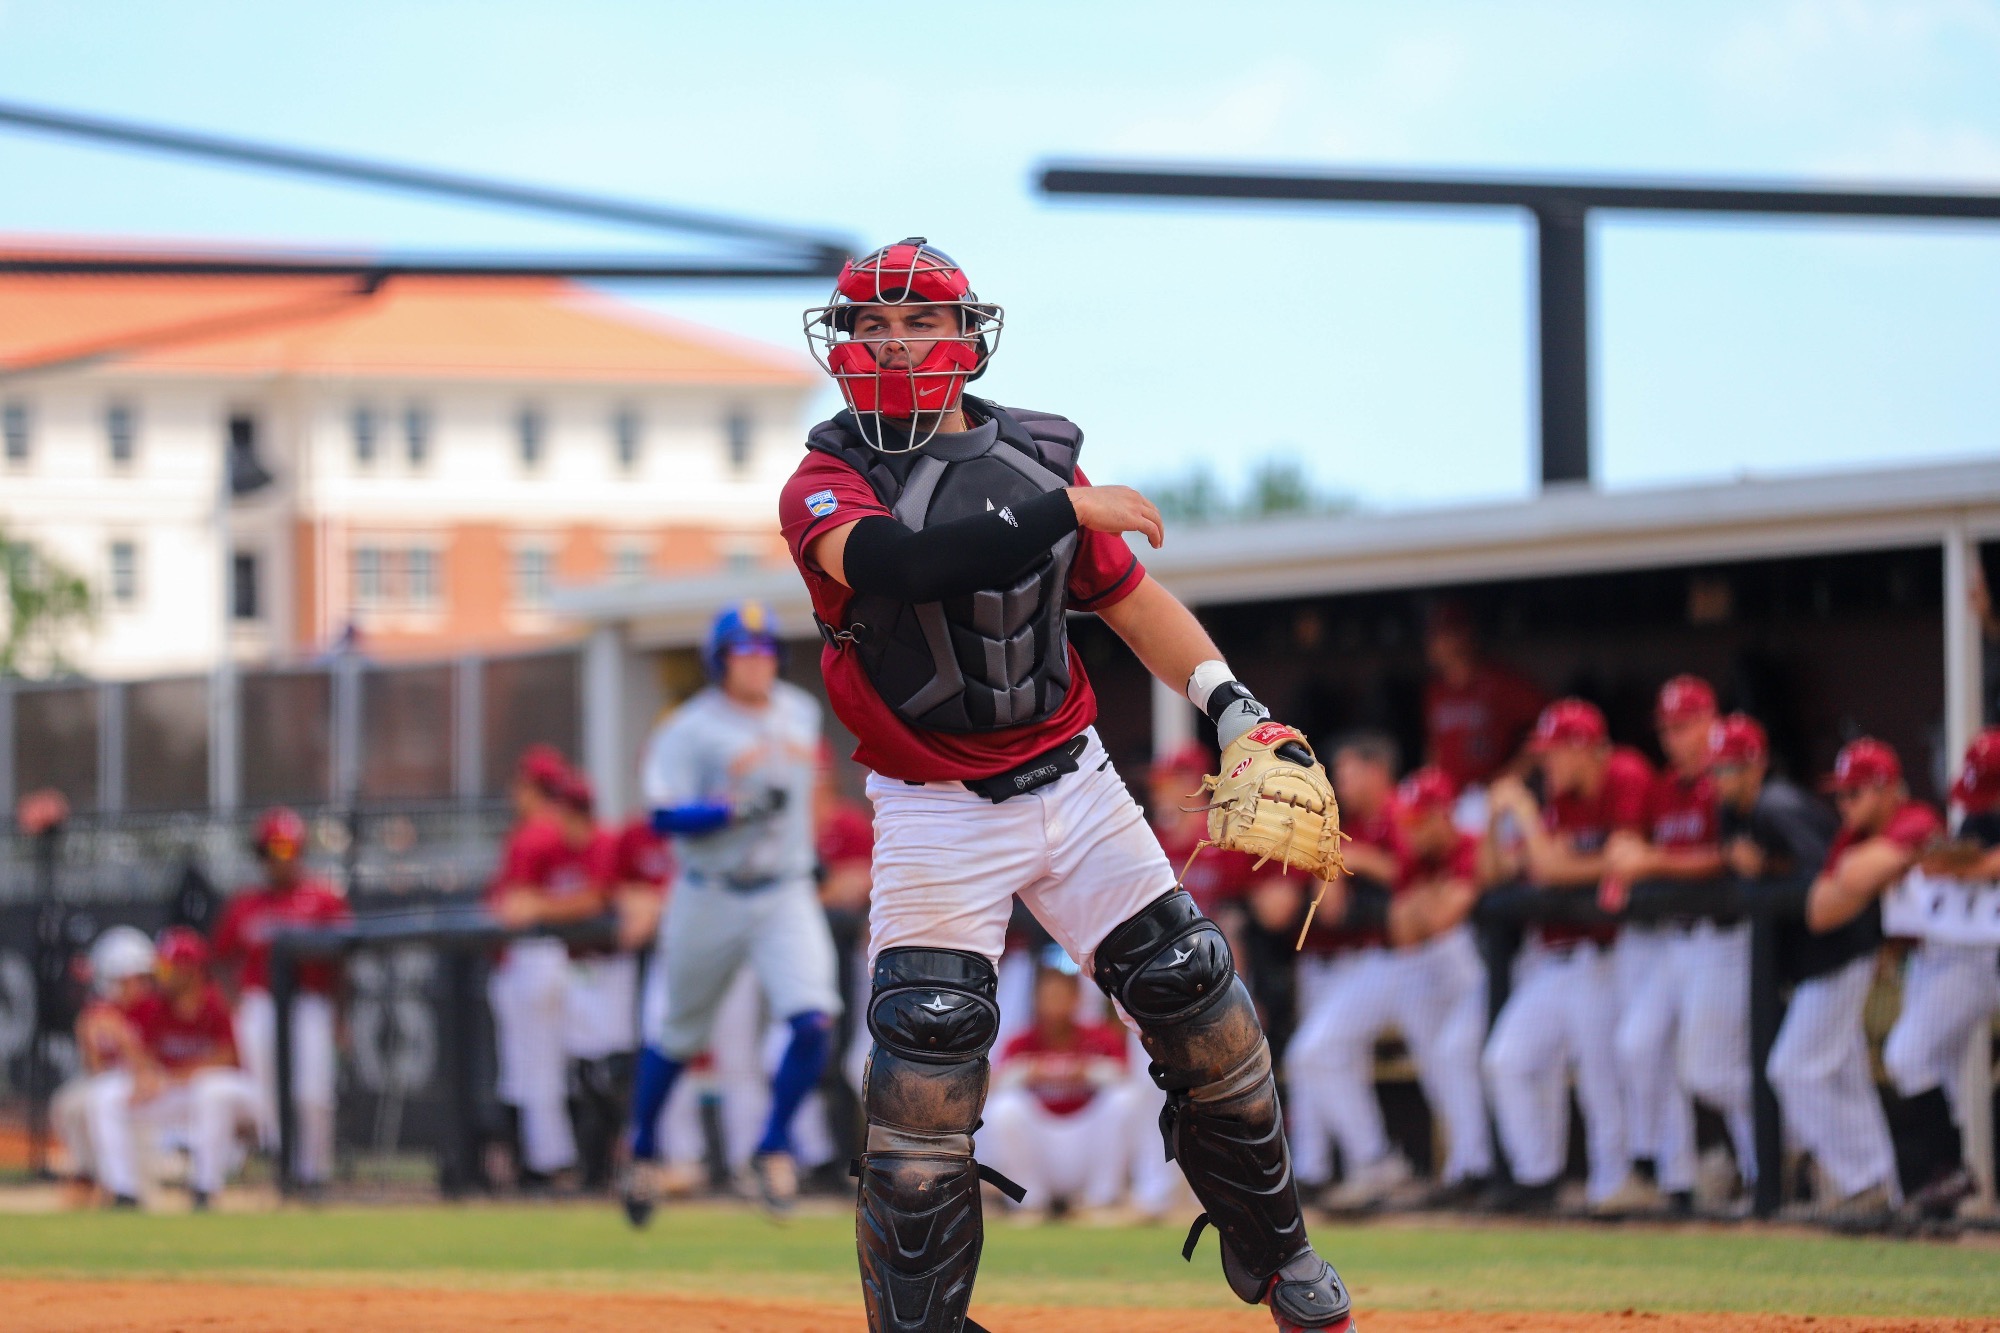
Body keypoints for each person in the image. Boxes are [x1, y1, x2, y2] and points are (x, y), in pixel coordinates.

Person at [786, 238, 1354, 1332]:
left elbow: (1131, 600)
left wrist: (1234, 707)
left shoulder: (1038, 456)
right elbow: (907, 566)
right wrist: (1065, 510)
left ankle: (1282, 1256)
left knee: (1197, 995)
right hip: (934, 803)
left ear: (966, 339)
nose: (893, 343)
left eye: (918, 322)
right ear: (841, 344)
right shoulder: (825, 477)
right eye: (870, 324)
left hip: (1076, 780)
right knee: (924, 1068)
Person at [623, 601, 840, 1225]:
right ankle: (643, 1151)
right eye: (743, 650)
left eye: (765, 648)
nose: (756, 660)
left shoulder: (800, 710)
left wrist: (810, 849)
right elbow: (662, 814)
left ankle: (772, 1148)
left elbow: (810, 793)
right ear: (719, 661)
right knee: (679, 1034)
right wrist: (731, 809)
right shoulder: (689, 727)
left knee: (814, 1020)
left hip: (784, 889)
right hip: (710, 890)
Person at [1482, 699, 1649, 1213]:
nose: (1545, 762)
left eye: (1554, 752)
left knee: (1601, 1075)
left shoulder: (1624, 774)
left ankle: (1615, 1185)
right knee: (1506, 1060)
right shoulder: (1559, 796)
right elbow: (1495, 873)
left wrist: (1528, 820)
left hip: (1609, 952)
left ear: (1583, 748)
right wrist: (1495, 819)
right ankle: (1538, 1179)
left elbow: (1555, 869)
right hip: (1553, 958)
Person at [1768, 738, 1938, 1223]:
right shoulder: (1852, 835)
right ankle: (1877, 1186)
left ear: (1886, 789)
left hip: (1961, 957)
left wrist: (1860, 874)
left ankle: (1875, 1182)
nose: (1844, 804)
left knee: (1801, 1068)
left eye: (1854, 793)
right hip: (1919, 965)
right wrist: (1859, 873)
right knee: (1851, 1072)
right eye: (1840, 794)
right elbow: (1820, 910)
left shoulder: (1915, 818)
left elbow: (1857, 878)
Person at [1600, 676, 1725, 1214]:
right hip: (1675, 941)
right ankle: (1658, 1171)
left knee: (1711, 1069)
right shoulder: (1664, 785)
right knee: (1636, 1044)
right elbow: (1634, 843)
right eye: (1668, 728)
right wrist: (1625, 856)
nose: (1675, 738)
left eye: (1685, 725)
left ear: (1711, 722)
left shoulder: (1726, 780)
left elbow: (1728, 857)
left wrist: (1651, 862)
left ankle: (1761, 1169)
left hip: (1724, 938)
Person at [1280, 732, 1409, 1208]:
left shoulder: (1401, 813)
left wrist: (1361, 861)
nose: (1342, 781)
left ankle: (1377, 1161)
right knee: (1321, 1057)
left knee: (1315, 1053)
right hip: (1353, 960)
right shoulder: (1344, 823)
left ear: (1378, 771)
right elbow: (1330, 909)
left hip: (1401, 959)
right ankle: (1360, 1166)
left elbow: (1415, 875)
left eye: (1350, 771)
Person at [1882, 727, 2000, 1220]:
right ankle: (1947, 1178)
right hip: (1956, 951)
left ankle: (1949, 1170)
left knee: (1907, 1054)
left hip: (1978, 958)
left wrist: (1971, 868)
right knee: (1936, 1067)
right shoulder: (1976, 818)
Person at [210, 807, 352, 1191]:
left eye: (287, 849)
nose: (279, 859)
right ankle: (284, 1166)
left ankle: (314, 1173)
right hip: (259, 1004)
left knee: (313, 1094)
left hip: (309, 1004)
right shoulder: (245, 903)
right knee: (267, 1093)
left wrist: (341, 1018)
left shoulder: (323, 898)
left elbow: (343, 966)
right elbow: (219, 960)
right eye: (271, 851)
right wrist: (233, 1004)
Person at [486, 747, 600, 1188]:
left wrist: (531, 906)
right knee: (551, 1066)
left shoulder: (534, 834)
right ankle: (557, 1161)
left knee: (536, 1068)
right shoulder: (567, 830)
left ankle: (549, 1163)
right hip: (570, 959)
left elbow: (513, 906)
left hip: (536, 956)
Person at [113, 928, 262, 1210]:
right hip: (184, 1091)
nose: (161, 974)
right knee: (114, 1098)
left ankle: (205, 1188)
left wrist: (168, 1078)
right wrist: (145, 1075)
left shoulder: (217, 1003)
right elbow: (144, 1052)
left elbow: (227, 1060)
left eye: (168, 967)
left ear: (190, 970)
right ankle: (126, 1190)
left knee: (213, 1090)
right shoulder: (155, 1006)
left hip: (241, 1094)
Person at [981, 955, 1135, 1219]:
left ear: (1076, 999)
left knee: (1125, 1099)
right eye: (1048, 996)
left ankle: (1102, 1199)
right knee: (1005, 1107)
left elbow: (1124, 1077)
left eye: (1061, 996)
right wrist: (1030, 1071)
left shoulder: (1099, 1037)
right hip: (1043, 1147)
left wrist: (1087, 1071)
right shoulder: (1021, 1041)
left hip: (1086, 1143)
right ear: (1037, 1000)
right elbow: (995, 1084)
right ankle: (1030, 1203)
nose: (1055, 1004)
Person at [52, 926, 154, 1207]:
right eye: (134, 979)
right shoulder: (97, 1012)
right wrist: (88, 1039)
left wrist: (125, 1040)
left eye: (143, 978)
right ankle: (90, 1172)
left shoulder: (152, 1009)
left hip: (147, 1086)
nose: (142, 985)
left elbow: (154, 1066)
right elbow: (95, 1070)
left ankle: (121, 1186)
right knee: (70, 1104)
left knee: (104, 1099)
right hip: (113, 1083)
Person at [1422, 599, 1544, 832]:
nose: (1432, 642)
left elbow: (1547, 724)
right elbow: (1434, 746)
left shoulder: (1498, 684)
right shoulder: (1436, 691)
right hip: (1447, 800)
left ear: (1462, 636)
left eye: (1441, 634)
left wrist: (1513, 775)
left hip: (1486, 797)